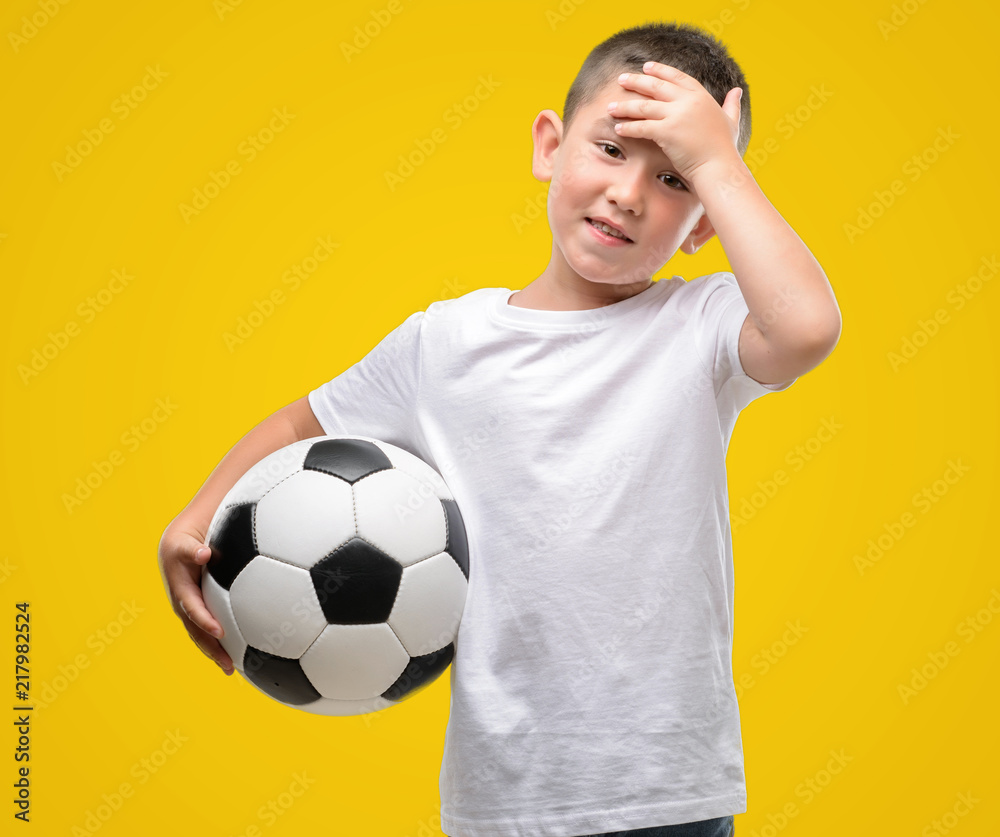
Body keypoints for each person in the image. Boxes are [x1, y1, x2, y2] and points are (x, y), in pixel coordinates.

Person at [158, 20, 841, 837]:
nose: (629, 193)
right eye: (613, 150)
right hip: (505, 793)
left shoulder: (699, 326)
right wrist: (195, 520)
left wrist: (720, 163)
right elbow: (302, 424)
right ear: (549, 146)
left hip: (666, 788)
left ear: (701, 224)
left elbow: (805, 326)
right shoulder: (443, 342)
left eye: (672, 177)